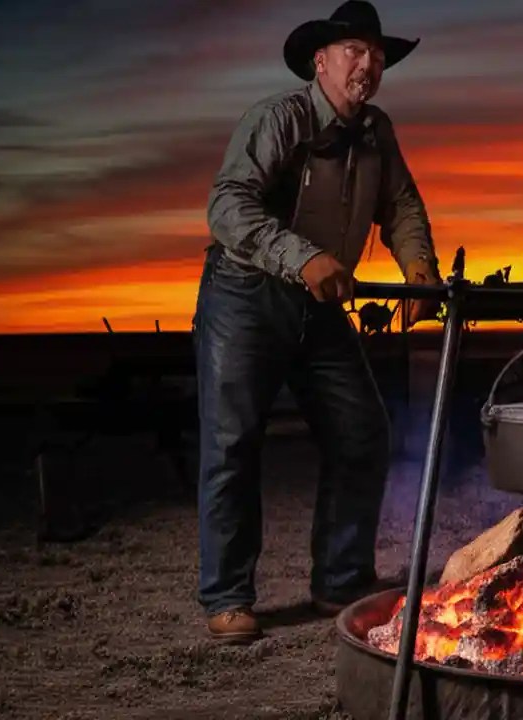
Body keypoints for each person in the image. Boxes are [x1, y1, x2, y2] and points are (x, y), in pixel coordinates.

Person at [192, 0, 441, 644]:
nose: (369, 64)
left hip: (322, 304)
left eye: (377, 54)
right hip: (246, 298)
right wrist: (302, 258)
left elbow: (402, 205)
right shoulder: (278, 118)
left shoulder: (378, 131)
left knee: (361, 431)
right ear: (320, 61)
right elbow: (227, 205)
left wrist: (419, 265)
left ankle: (341, 580)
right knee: (232, 444)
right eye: (355, 51)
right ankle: (228, 597)